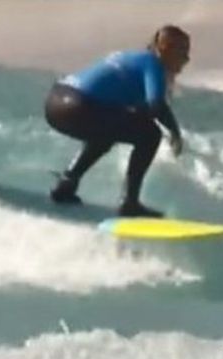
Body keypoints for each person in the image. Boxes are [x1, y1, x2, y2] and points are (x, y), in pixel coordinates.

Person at [44, 25, 191, 217]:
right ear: (164, 48)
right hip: (78, 105)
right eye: (183, 52)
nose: (186, 59)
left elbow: (136, 109)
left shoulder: (131, 58)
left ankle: (66, 184)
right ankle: (130, 202)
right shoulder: (152, 64)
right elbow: (156, 105)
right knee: (150, 135)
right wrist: (175, 132)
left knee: (108, 130)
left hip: (55, 103)